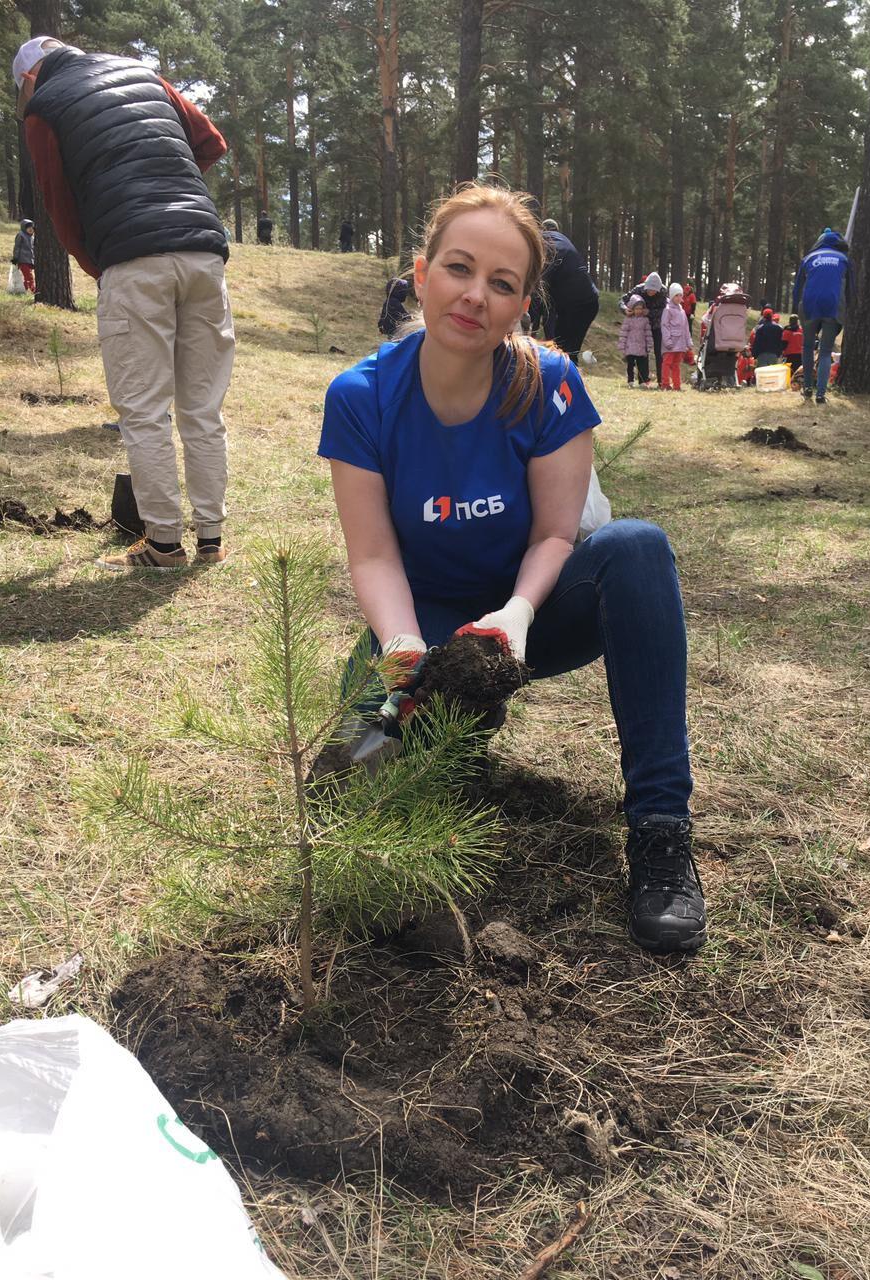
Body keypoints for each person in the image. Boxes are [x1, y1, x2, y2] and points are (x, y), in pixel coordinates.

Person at [318, 184, 706, 955]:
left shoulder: (549, 383)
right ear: (421, 275)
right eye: (459, 269)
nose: (475, 296)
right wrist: (400, 647)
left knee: (636, 546)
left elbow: (557, 534)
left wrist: (518, 615)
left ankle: (661, 832)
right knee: (358, 772)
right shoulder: (360, 396)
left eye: (502, 284)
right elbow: (373, 554)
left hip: (532, 615)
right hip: (420, 624)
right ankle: (448, 751)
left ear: (524, 303)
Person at [15, 36, 234, 570]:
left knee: (144, 412)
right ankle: (210, 538)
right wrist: (164, 189)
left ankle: (163, 546)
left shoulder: (43, 109)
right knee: (203, 409)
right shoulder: (143, 72)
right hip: (204, 252)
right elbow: (211, 144)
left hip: (133, 262)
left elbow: (58, 202)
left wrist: (99, 263)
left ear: (28, 79)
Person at [793, 228, 852, 405]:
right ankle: (820, 393)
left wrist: (797, 306)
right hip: (833, 307)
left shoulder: (808, 258)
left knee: (807, 347)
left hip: (810, 306)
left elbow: (797, 289)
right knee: (826, 352)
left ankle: (808, 388)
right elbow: (851, 289)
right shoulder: (844, 260)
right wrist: (848, 308)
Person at [529, 218, 599, 364]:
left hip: (578, 306)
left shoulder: (550, 248)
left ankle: (566, 382)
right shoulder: (561, 240)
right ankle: (564, 381)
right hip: (586, 302)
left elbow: (538, 286)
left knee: (565, 353)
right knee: (564, 351)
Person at [660, 283, 694, 390]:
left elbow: (686, 329)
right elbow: (664, 326)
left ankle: (677, 385)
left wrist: (688, 342)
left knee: (676, 365)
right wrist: (667, 341)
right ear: (671, 296)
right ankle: (665, 384)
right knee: (667, 363)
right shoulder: (667, 309)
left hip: (680, 345)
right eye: (676, 295)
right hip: (670, 344)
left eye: (681, 295)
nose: (679, 298)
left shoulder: (682, 311)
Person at [617, 294, 655, 387]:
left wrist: (649, 344)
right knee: (630, 365)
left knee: (641, 365)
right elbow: (623, 333)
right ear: (632, 309)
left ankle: (642, 381)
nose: (639, 311)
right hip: (630, 347)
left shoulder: (645, 320)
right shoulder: (628, 320)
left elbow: (648, 333)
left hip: (641, 347)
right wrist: (622, 345)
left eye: (641, 308)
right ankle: (630, 380)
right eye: (637, 308)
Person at [11, 217, 35, 293]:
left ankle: (24, 290)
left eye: (32, 227)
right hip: (23, 260)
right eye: (28, 227)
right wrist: (15, 258)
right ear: (24, 228)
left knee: (27, 276)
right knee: (29, 276)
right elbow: (17, 247)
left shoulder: (32, 237)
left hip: (30, 260)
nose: (30, 229)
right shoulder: (21, 235)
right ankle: (33, 290)